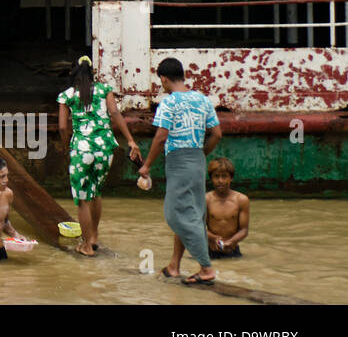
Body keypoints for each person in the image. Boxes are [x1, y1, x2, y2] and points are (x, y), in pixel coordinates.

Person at [137, 56, 222, 285]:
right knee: (192, 213)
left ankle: (206, 268)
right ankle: (174, 265)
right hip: (197, 162)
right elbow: (217, 134)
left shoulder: (169, 102)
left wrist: (146, 166)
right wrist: (201, 155)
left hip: (178, 161)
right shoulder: (203, 100)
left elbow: (161, 137)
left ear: (164, 79)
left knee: (175, 213)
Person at [57, 55, 142, 256]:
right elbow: (115, 115)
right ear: (92, 72)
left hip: (81, 149)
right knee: (96, 192)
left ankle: (86, 246)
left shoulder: (67, 95)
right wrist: (130, 140)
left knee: (82, 199)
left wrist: (66, 149)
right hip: (105, 149)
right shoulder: (104, 90)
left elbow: (62, 127)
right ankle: (94, 236)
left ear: (72, 73)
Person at [205, 156, 249, 258]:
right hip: (210, 249)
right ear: (211, 178)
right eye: (216, 176)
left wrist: (231, 241)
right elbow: (199, 228)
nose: (220, 181)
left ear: (231, 178)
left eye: (224, 176)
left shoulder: (242, 200)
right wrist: (213, 238)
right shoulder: (206, 200)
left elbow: (244, 230)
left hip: (232, 249)